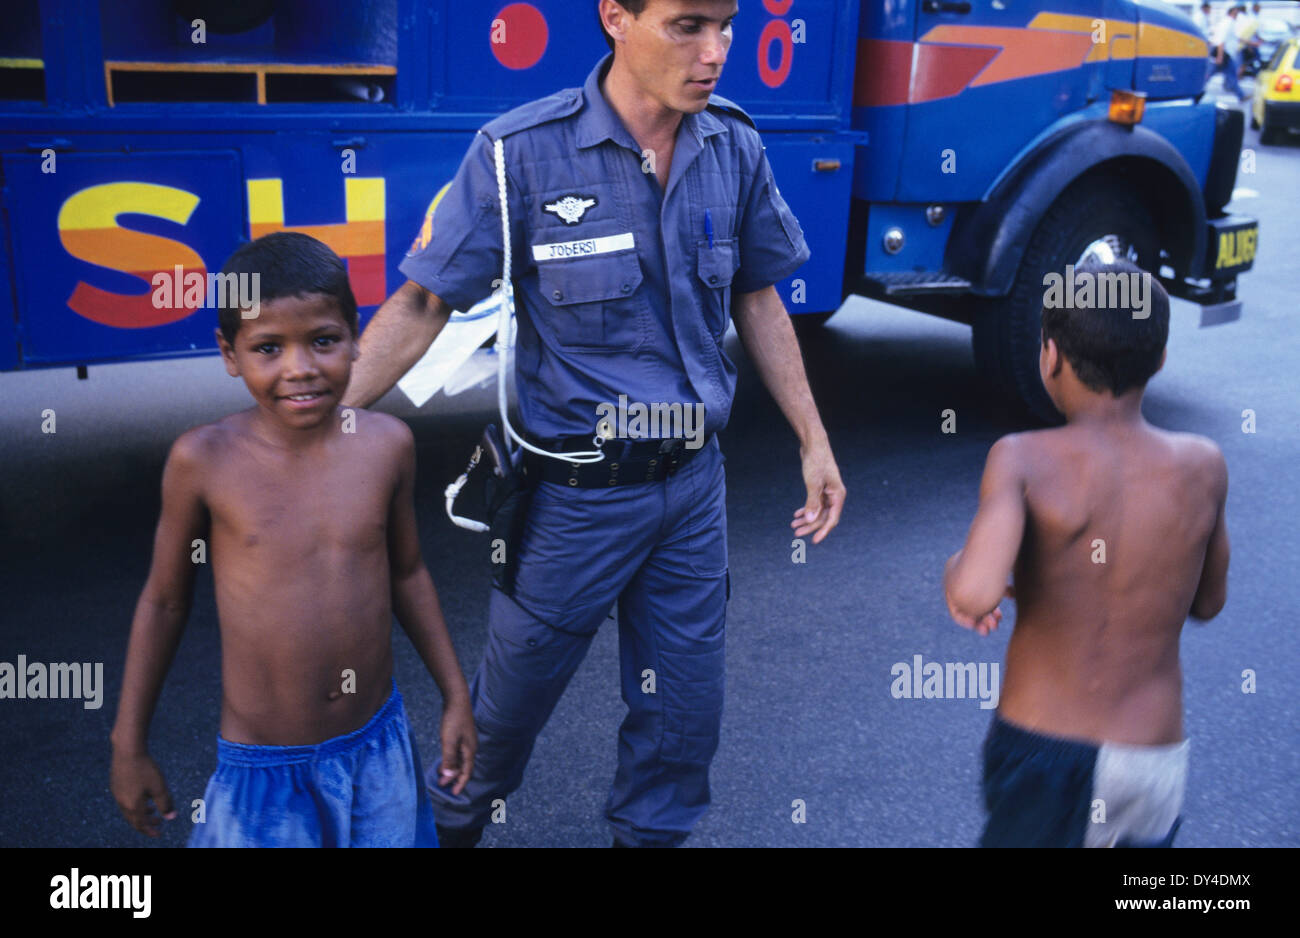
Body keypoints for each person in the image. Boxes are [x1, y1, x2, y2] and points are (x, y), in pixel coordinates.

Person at [342, 0, 845, 848]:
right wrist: (323, 417)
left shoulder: (734, 144)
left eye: (725, 24)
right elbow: (427, 298)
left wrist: (813, 437)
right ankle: (447, 832)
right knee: (500, 725)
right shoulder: (519, 154)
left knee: (683, 723)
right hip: (573, 501)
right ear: (616, 17)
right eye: (688, 25)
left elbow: (758, 293)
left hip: (693, 490)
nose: (717, 51)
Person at [109, 232, 476, 847]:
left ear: (356, 337)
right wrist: (128, 743)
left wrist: (455, 694)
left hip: (379, 748)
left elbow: (408, 574)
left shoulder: (387, 445)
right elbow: (164, 602)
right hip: (264, 773)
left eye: (323, 341)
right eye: (269, 347)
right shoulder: (204, 461)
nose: (300, 368)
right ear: (230, 353)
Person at [942, 258, 1230, 848]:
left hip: (1049, 755)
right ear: (1161, 360)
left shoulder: (1022, 458)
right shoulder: (1205, 466)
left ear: (1050, 356)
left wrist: (960, 573)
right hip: (1152, 761)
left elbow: (975, 591)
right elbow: (1207, 602)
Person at [1211, 4, 1249, 101]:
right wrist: (1220, 56)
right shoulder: (1227, 23)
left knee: (1223, 73)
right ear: (1231, 12)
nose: (1238, 14)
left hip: (1227, 54)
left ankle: (1240, 95)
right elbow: (1221, 40)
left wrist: (1252, 43)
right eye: (1236, 12)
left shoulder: (1230, 23)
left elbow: (1235, 38)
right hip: (1225, 54)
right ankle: (1241, 95)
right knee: (1229, 74)